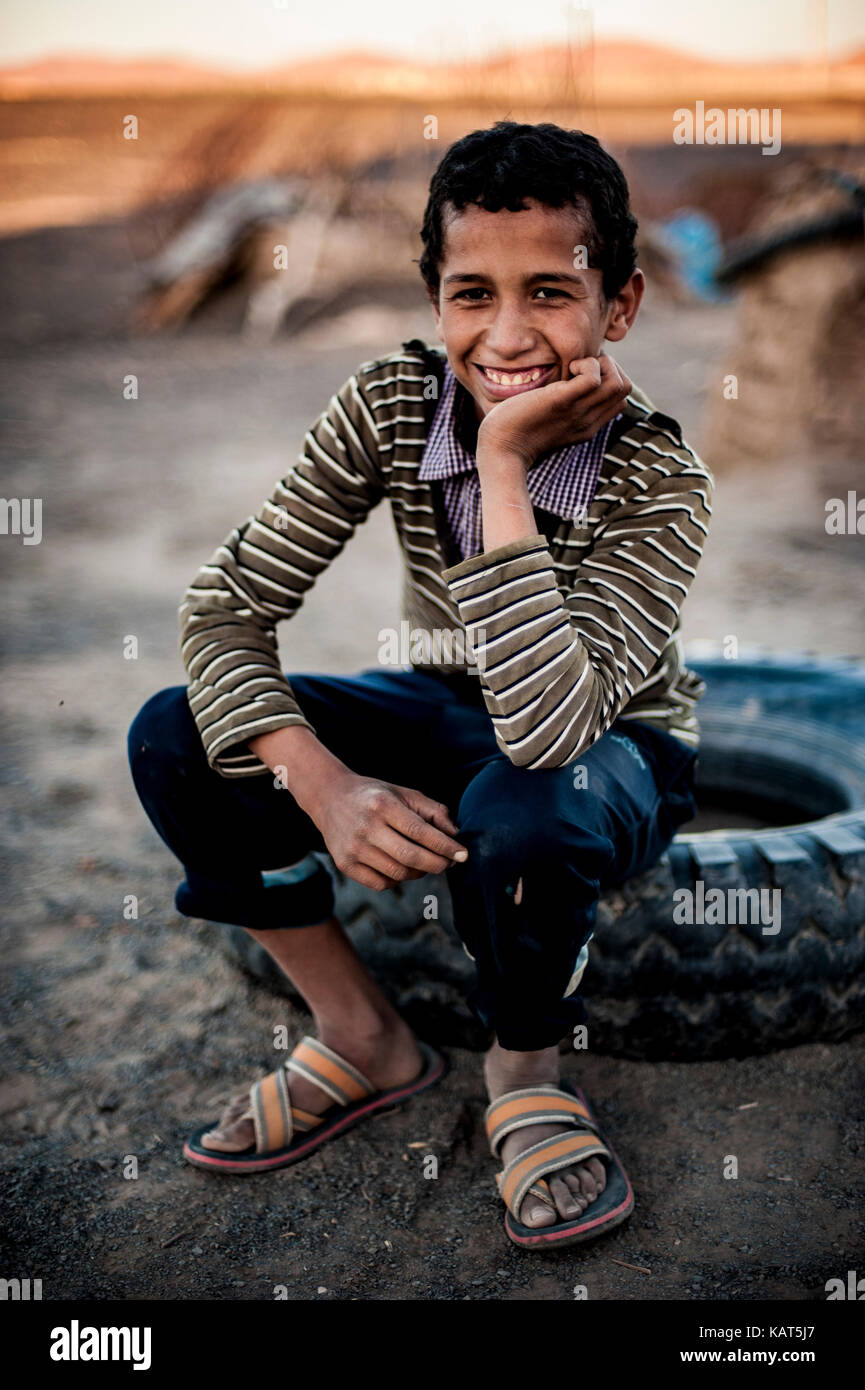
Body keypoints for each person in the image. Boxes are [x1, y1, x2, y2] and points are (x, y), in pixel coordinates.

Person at [128, 120, 713, 1250]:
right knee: (177, 732)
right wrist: (323, 785)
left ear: (621, 305)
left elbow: (547, 732)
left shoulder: (658, 477)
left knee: (522, 807)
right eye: (469, 293)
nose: (505, 333)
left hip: (610, 747)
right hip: (454, 707)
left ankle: (525, 1069)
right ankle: (362, 1034)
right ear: (432, 298)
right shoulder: (393, 405)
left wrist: (500, 463)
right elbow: (223, 606)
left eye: (550, 291)